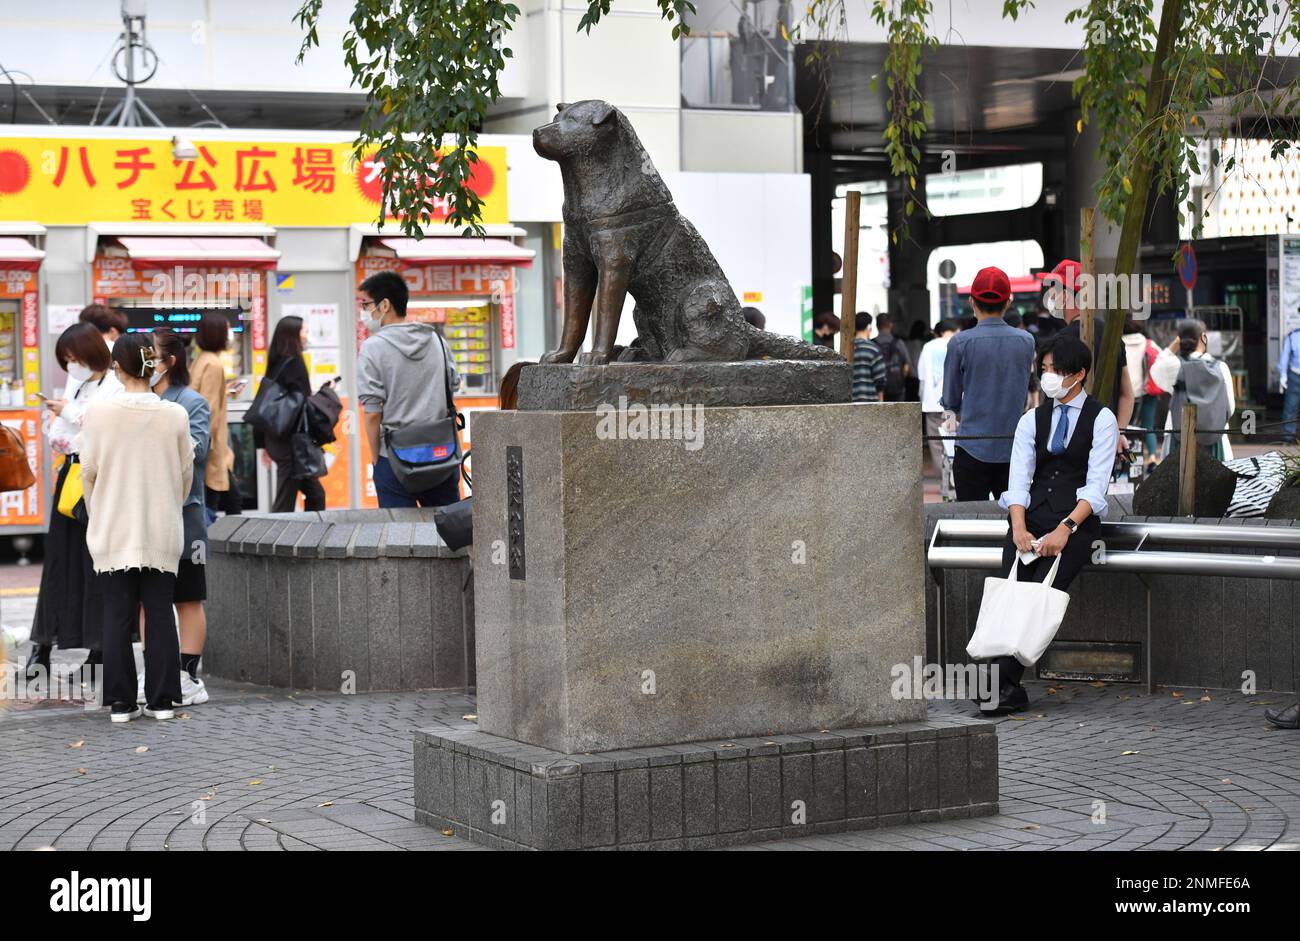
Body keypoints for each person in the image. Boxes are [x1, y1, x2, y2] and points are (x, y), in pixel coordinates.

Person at [983, 334, 1119, 713]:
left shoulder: (1102, 419)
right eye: (1044, 370)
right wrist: (1019, 528)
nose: (1048, 378)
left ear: (1079, 374)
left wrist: (1065, 529)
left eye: (1057, 371)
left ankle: (997, 684)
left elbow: (1095, 488)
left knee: (1037, 598)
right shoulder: (1032, 419)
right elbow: (1018, 480)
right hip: (1030, 516)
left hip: (1077, 523)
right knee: (1012, 594)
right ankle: (1002, 686)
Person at [80, 334, 193, 723]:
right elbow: (184, 476)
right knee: (159, 613)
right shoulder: (174, 414)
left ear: (117, 366)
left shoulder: (98, 413)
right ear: (152, 365)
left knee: (117, 614)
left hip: (113, 528)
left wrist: (100, 512)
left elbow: (88, 472)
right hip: (161, 526)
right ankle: (162, 700)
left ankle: (121, 702)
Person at [27, 324, 124, 683]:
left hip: (97, 483)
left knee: (94, 564)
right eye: (66, 360)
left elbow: (100, 434)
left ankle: (97, 651)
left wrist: (70, 416)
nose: (71, 366)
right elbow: (60, 438)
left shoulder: (114, 385)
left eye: (75, 358)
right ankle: (43, 647)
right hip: (70, 481)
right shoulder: (79, 384)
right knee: (58, 562)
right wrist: (72, 421)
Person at [143, 330, 211, 708]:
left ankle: (187, 674)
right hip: (145, 513)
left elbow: (197, 452)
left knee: (187, 598)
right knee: (145, 600)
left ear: (170, 361)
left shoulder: (191, 402)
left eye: (151, 355)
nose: (146, 362)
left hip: (184, 514)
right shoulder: (135, 400)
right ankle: (153, 670)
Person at [357, 270, 462, 509]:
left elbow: (372, 412)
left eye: (366, 305)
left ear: (385, 305)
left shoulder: (372, 348)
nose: (364, 312)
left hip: (394, 457)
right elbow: (453, 385)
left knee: (397, 537)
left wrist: (376, 458)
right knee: (447, 531)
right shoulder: (437, 340)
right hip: (442, 452)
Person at [941, 267, 1035, 501]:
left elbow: (950, 401)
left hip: (971, 446)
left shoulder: (959, 343)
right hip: (1013, 447)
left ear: (972, 301)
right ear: (1008, 302)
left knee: (972, 522)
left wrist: (952, 427)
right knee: (1015, 523)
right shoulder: (1026, 341)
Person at [1046, 259, 1136, 455]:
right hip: (1105, 444)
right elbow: (1127, 393)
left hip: (1069, 450)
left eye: (1053, 289)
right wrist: (1118, 433)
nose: (1050, 296)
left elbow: (1052, 400)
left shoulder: (1060, 342)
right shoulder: (1111, 335)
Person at [260, 315, 325, 513]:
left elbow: (264, 403)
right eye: (304, 331)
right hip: (292, 443)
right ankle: (274, 541)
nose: (307, 336)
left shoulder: (276, 362)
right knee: (285, 501)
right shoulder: (294, 363)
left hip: (280, 439)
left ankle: (311, 536)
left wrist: (264, 443)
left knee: (315, 494)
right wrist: (326, 393)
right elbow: (303, 402)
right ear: (293, 336)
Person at [1149, 318, 1234, 461]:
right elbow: (1229, 408)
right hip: (1215, 438)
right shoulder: (1221, 367)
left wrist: (1174, 346)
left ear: (1180, 340)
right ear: (1203, 338)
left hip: (1179, 439)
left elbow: (1155, 370)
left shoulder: (1174, 366)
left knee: (1178, 482)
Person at [193, 311, 240, 517]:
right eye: (227, 329)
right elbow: (208, 409)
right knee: (224, 503)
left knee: (227, 499)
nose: (229, 334)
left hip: (206, 446)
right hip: (211, 449)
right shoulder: (214, 364)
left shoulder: (201, 360)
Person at [917, 319, 957, 475]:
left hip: (932, 401)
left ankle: (943, 477)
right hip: (952, 402)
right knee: (952, 439)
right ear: (955, 329)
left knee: (935, 442)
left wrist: (923, 399)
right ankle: (954, 476)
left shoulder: (928, 347)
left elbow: (922, 376)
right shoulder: (958, 343)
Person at [1123, 319, 1162, 470]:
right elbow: (1161, 360)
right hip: (1147, 391)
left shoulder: (1117, 343)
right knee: (1148, 426)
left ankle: (1128, 459)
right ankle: (1152, 458)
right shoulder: (1148, 343)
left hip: (1124, 392)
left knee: (1124, 428)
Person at [873, 313, 912, 402]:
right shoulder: (899, 343)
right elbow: (906, 367)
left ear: (877, 326)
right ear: (891, 325)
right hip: (897, 388)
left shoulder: (872, 344)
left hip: (877, 389)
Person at [851, 312, 886, 403]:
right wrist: (881, 400)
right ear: (869, 327)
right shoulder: (873, 349)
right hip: (870, 400)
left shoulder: (847, 349)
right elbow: (880, 378)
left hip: (851, 400)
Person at [1279, 324, 1300, 443]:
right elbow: (1285, 357)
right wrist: (1283, 375)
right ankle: (1288, 437)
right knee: (1291, 407)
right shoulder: (1293, 336)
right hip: (1295, 375)